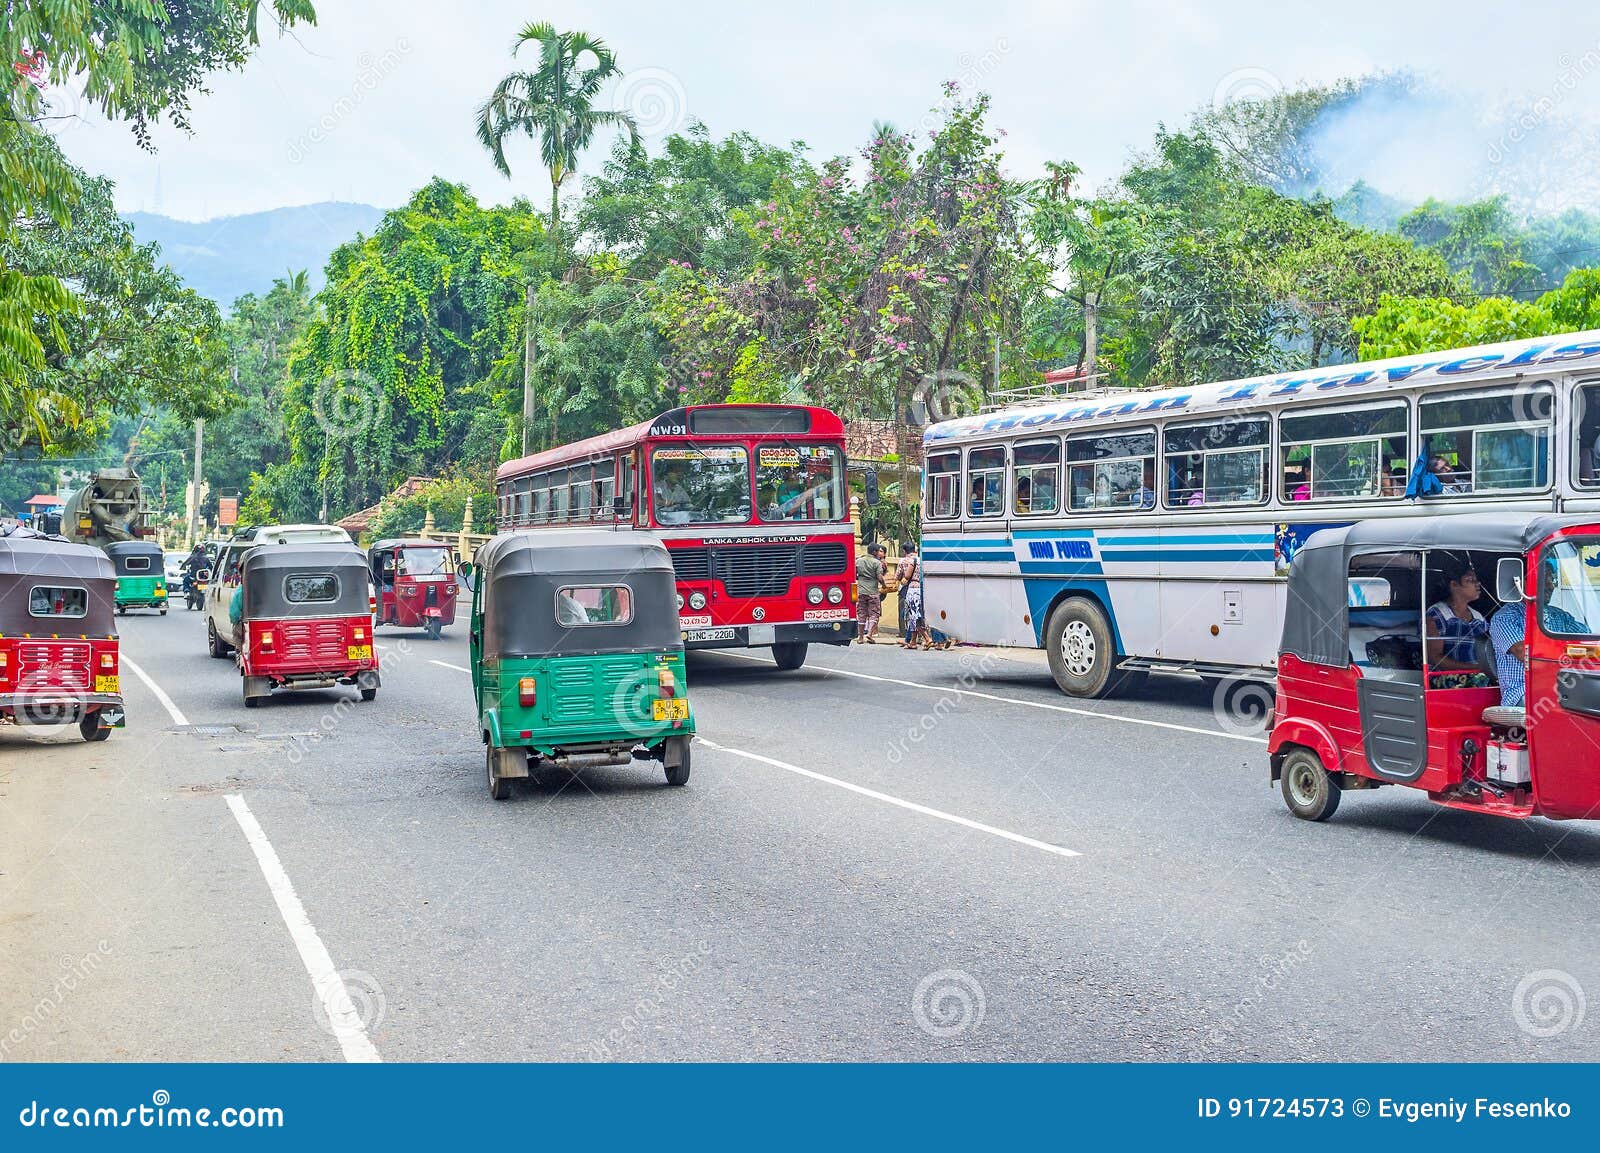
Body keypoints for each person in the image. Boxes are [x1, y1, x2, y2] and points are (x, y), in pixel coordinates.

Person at [1425, 561, 1489, 672]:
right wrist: (1475, 668)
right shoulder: (1436, 615)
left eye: (1476, 579)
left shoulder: (1478, 618)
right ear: (1454, 585)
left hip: (1478, 678)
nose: (1477, 583)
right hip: (1445, 681)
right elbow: (1434, 658)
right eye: (1470, 580)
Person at [856, 542, 886, 643]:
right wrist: (884, 585)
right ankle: (869, 634)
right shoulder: (877, 563)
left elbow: (854, 574)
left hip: (861, 591)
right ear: (874, 552)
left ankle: (860, 637)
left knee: (861, 613)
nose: (879, 553)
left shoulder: (859, 561)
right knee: (874, 614)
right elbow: (880, 577)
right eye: (878, 551)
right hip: (873, 592)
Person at [895, 542, 920, 637]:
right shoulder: (920, 560)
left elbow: (897, 576)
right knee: (918, 612)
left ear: (904, 551)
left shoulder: (903, 561)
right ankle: (918, 637)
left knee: (906, 613)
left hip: (908, 589)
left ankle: (906, 635)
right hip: (921, 588)